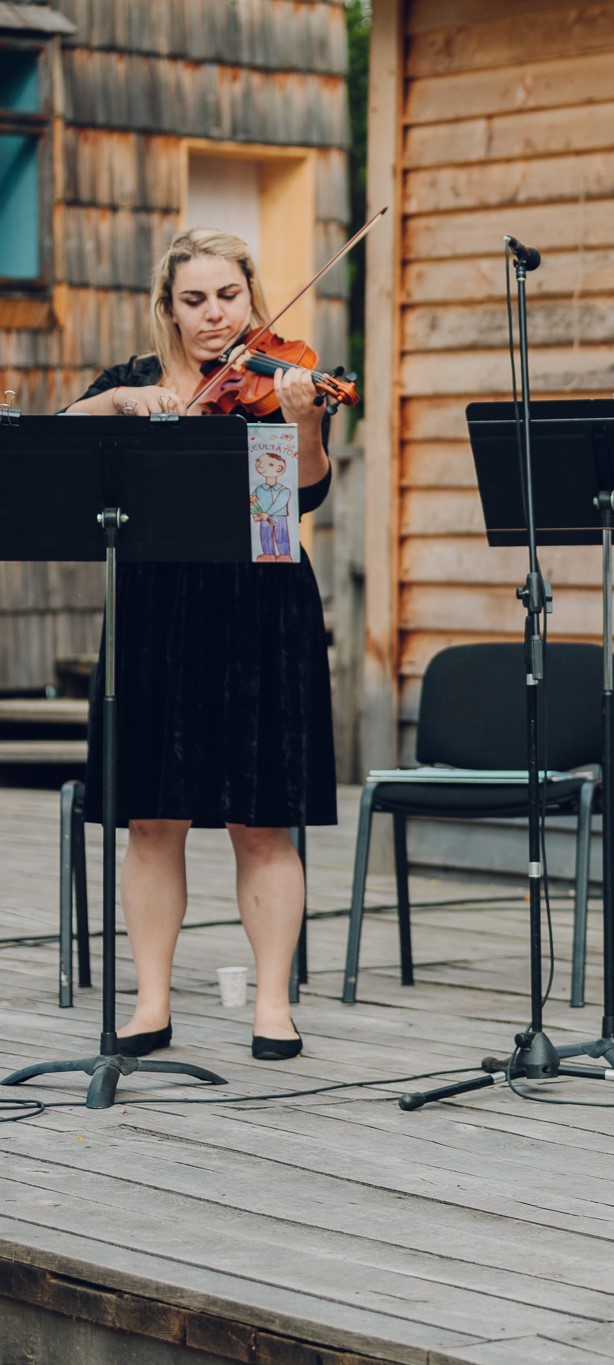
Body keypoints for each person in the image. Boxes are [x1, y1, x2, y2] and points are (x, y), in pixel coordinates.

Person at [66, 228, 338, 1062]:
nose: (215, 314)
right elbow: (61, 438)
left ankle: (272, 1004)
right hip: (155, 607)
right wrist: (121, 402)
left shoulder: (280, 379)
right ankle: (151, 1003)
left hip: (261, 601)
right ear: (169, 309)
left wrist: (304, 423)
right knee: (152, 820)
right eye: (195, 300)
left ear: (250, 295)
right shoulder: (133, 382)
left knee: (262, 822)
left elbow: (302, 495)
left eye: (228, 295)